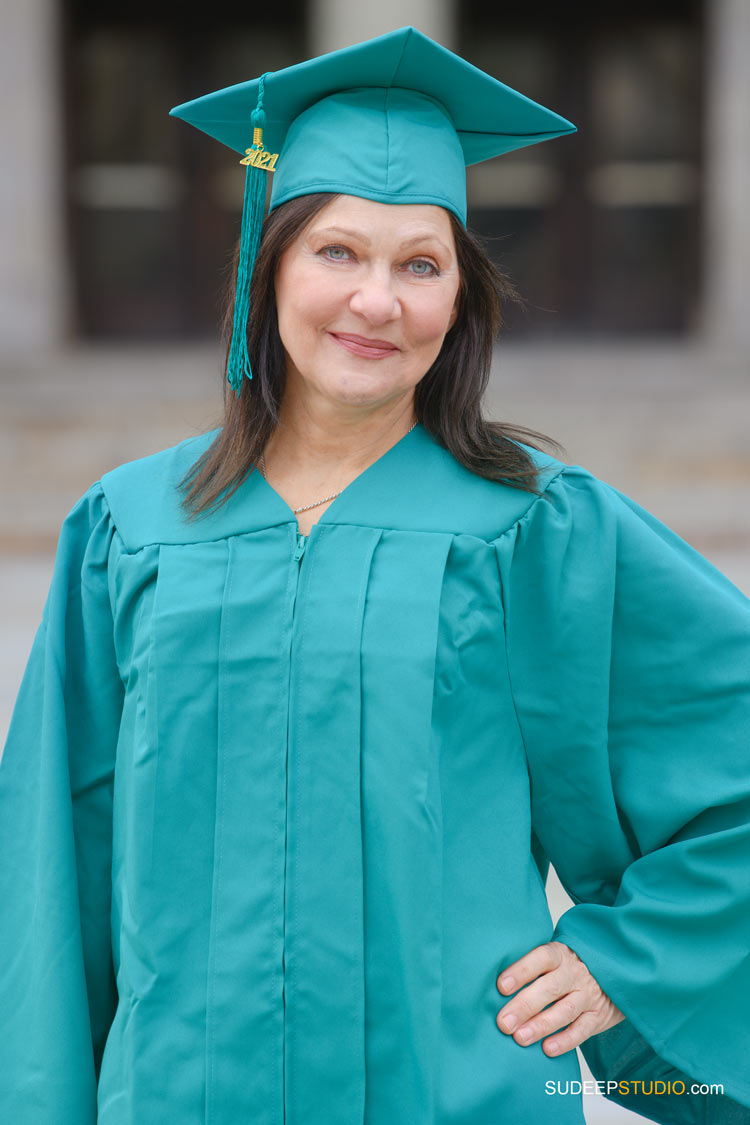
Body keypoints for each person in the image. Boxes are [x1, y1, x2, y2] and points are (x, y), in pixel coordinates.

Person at [0, 25, 748, 1125]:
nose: (376, 301)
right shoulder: (130, 527)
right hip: (179, 1099)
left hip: (455, 1093)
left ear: (458, 302)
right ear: (271, 266)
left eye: (420, 265)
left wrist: (622, 961)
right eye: (337, 253)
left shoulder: (535, 529)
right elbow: (52, 870)